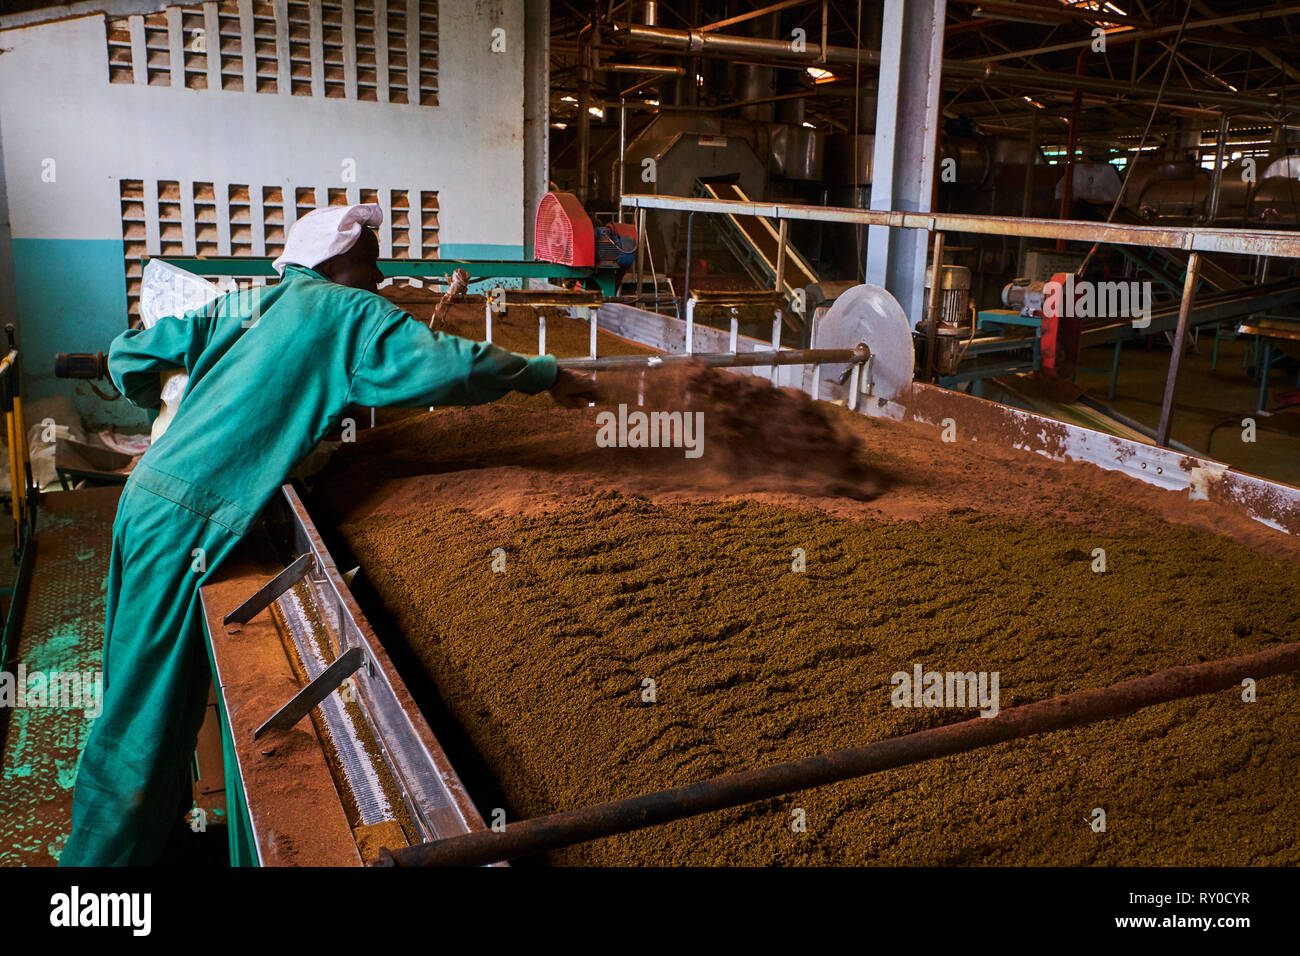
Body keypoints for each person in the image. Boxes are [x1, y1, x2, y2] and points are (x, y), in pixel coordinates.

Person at [60, 203, 597, 865]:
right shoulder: (351, 314)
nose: (379, 277)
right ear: (333, 263)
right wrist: (545, 375)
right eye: (370, 261)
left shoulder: (250, 302)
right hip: (191, 523)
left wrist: (164, 414)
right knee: (142, 717)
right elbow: (454, 367)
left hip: (146, 500)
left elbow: (131, 354)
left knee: (140, 691)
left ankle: (146, 844)